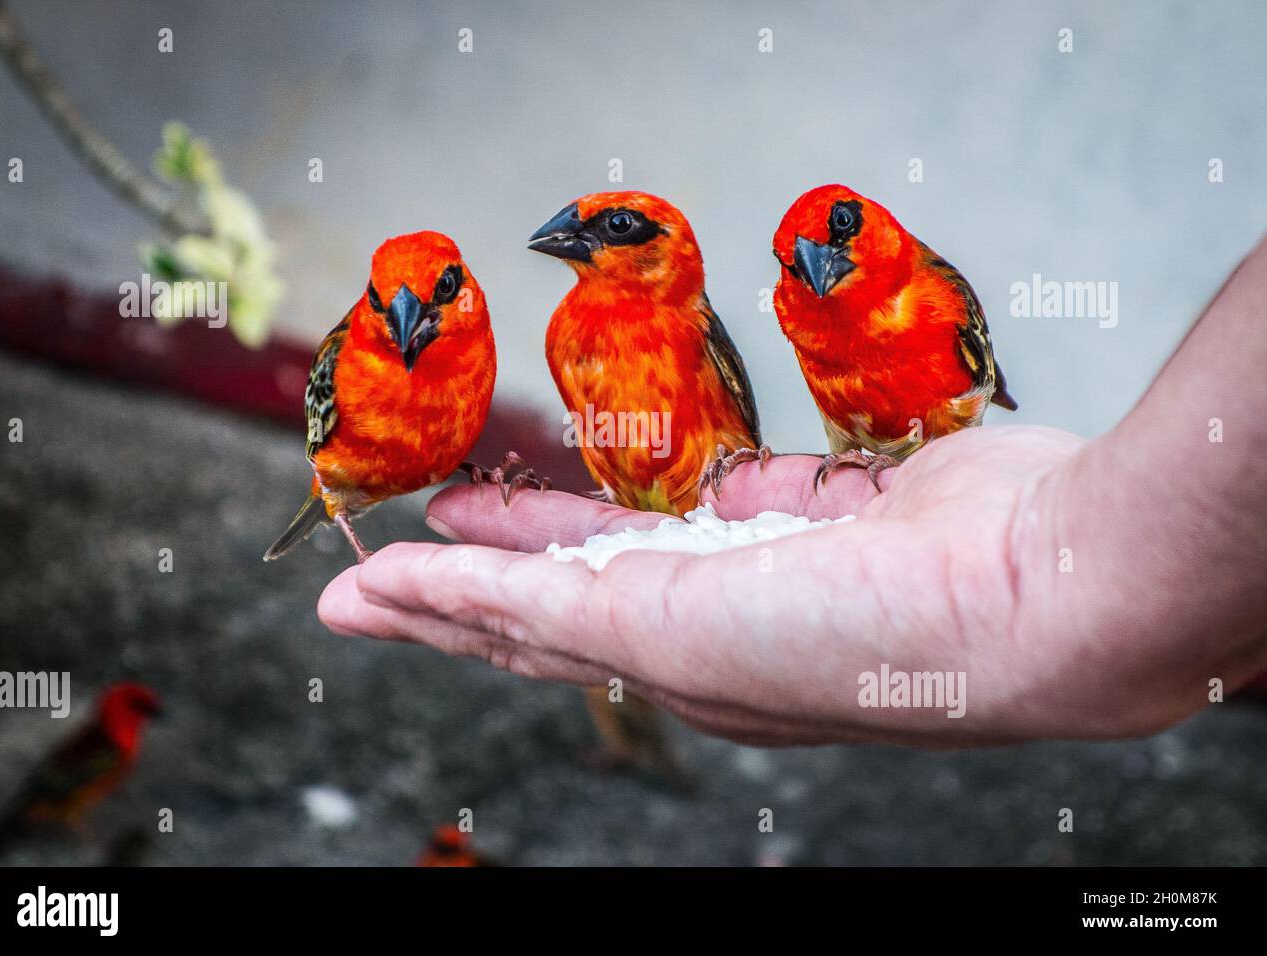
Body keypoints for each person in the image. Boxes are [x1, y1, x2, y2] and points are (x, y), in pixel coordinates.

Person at [318, 238, 1267, 748]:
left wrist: (1027, 562)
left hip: (754, 483)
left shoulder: (734, 321)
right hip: (635, 495)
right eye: (792, 258)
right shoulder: (569, 331)